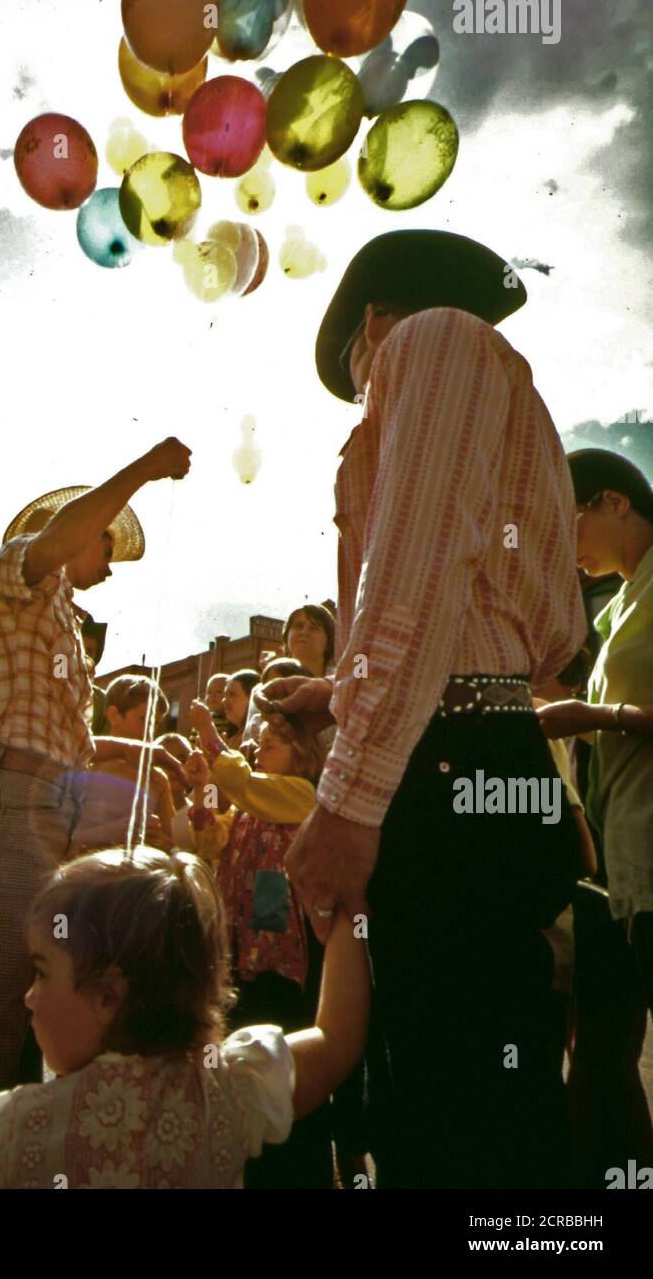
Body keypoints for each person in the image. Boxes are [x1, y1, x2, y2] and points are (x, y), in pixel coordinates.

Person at [275, 229, 588, 1189]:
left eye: (356, 370)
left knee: (451, 1124)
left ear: (373, 322)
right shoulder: (493, 377)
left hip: (449, 766)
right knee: (470, 1100)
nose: (366, 391)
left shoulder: (432, 341)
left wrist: (346, 804)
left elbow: (412, 580)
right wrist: (340, 693)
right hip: (477, 746)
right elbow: (516, 635)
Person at [0, 437, 192, 1186]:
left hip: (38, 807)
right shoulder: (15, 574)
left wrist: (139, 753)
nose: (108, 567)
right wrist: (143, 467)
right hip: (11, 804)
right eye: (106, 546)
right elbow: (29, 741)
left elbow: (60, 736)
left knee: (19, 1021)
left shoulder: (65, 621)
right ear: (74, 535)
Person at [0, 845, 369, 1188]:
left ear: (108, 997)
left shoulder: (3, 1132)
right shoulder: (229, 1092)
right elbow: (337, 1039)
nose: (29, 996)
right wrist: (351, 910)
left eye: (41, 973)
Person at [537, 448, 653, 1182]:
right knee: (600, 1058)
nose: (563, 544)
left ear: (611, 501)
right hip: (617, 870)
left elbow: (614, 715)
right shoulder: (615, 608)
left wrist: (594, 712)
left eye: (567, 519)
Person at [185, 699, 334, 1187]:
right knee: (248, 1066)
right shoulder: (252, 808)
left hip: (277, 957)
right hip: (242, 955)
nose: (266, 740)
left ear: (305, 756)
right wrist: (204, 783)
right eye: (263, 735)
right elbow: (210, 837)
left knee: (281, 1060)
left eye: (280, 738)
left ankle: (299, 1173)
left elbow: (243, 783)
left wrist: (210, 733)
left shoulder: (297, 794)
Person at [73, 676, 176, 856]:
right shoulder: (84, 767)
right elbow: (59, 838)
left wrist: (158, 838)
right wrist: (107, 833)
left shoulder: (156, 779)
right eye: (144, 719)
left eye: (157, 723)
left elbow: (172, 844)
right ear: (114, 715)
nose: (151, 731)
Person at [221, 669, 260, 749]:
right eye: (225, 695)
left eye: (232, 694)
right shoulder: (230, 739)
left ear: (252, 698)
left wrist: (207, 727)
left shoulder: (259, 737)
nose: (224, 701)